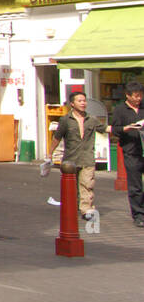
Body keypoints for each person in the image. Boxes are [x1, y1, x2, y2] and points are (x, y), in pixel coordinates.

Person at [53, 90, 108, 220]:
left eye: (84, 101)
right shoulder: (65, 120)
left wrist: (124, 129)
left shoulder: (92, 119)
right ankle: (72, 206)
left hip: (87, 158)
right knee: (71, 186)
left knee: (87, 184)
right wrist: (50, 153)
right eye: (80, 101)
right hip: (70, 159)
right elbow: (57, 137)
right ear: (72, 104)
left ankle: (86, 210)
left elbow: (105, 129)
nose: (83, 103)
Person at [108, 80, 144, 228]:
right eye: (135, 96)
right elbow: (114, 129)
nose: (138, 99)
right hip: (131, 151)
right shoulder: (119, 110)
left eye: (140, 95)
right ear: (127, 96)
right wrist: (126, 128)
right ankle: (139, 215)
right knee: (135, 185)